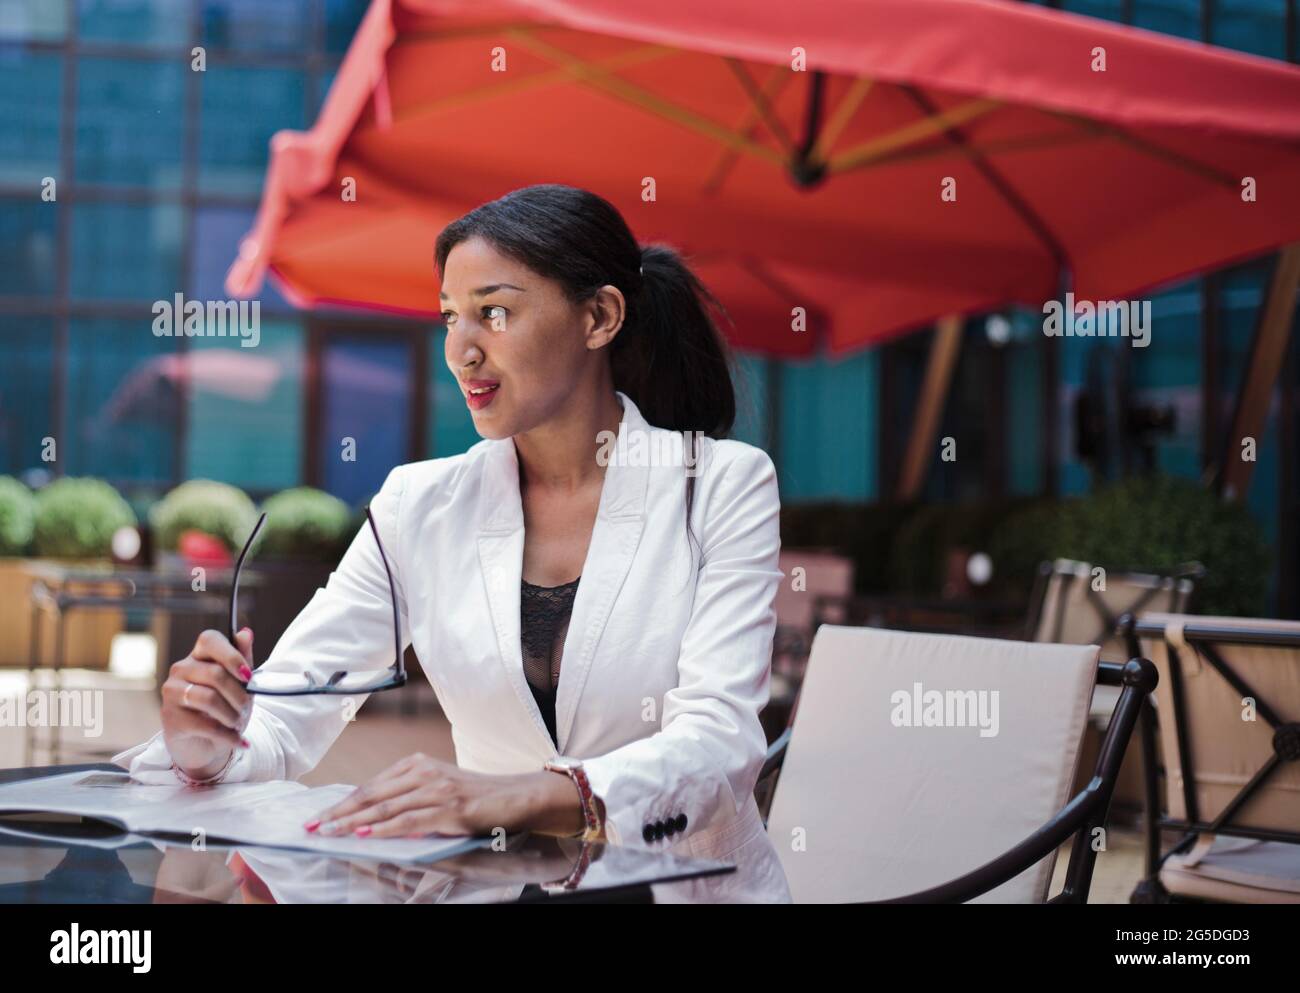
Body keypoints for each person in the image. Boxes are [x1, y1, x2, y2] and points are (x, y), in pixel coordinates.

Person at [114, 184, 792, 902]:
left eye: (493, 313)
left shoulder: (717, 486)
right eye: (450, 318)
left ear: (599, 315)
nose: (461, 351)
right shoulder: (419, 505)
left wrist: (523, 794)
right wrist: (210, 739)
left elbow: (722, 743)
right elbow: (288, 709)